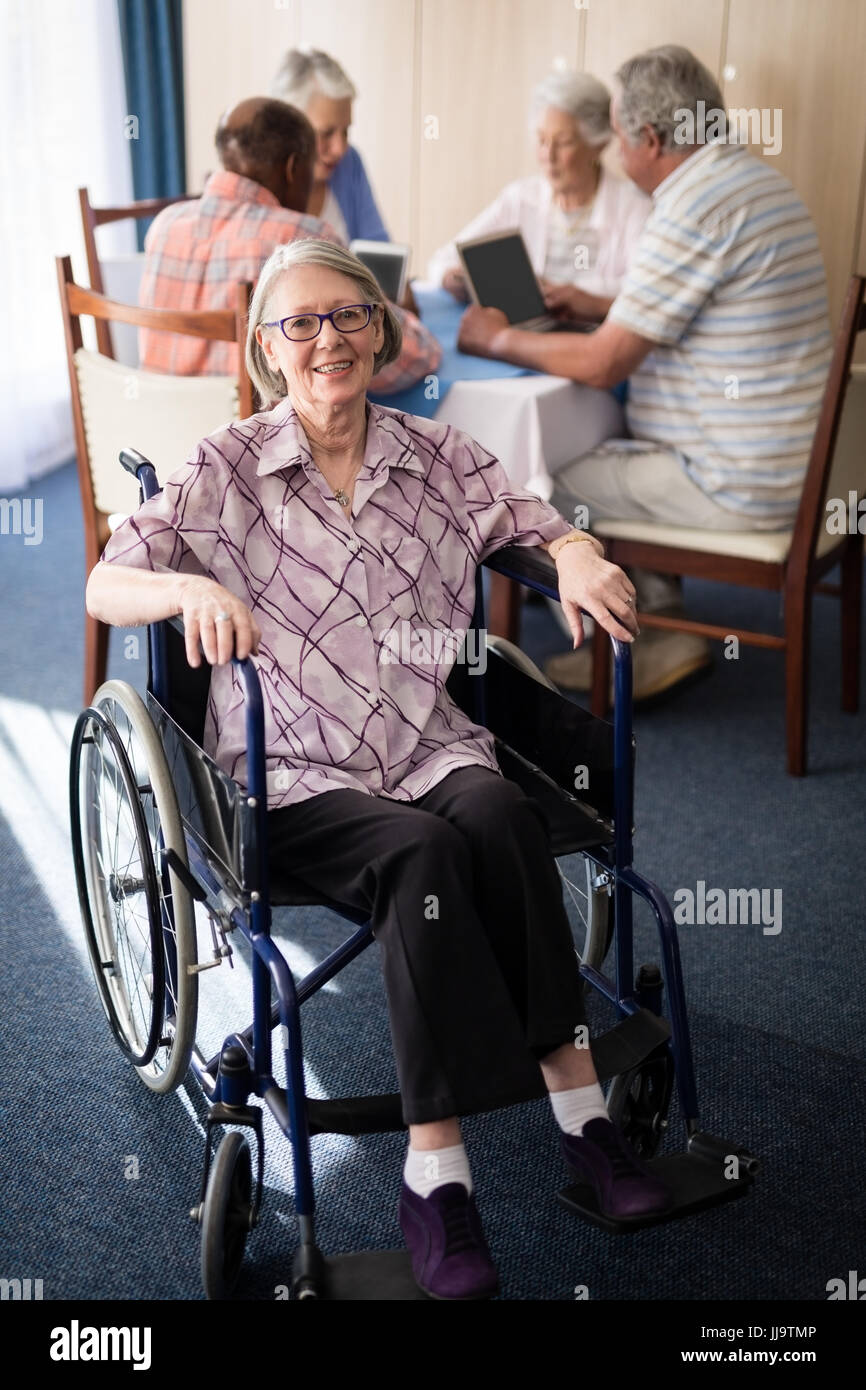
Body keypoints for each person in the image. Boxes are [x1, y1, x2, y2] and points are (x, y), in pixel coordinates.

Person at [86, 238, 670, 1301]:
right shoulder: (222, 468)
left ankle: (583, 1118)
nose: (327, 341)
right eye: (299, 323)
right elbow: (105, 585)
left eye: (347, 316)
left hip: (422, 740)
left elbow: (532, 523)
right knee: (419, 852)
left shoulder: (437, 455)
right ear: (268, 348)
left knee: (494, 812)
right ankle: (434, 1174)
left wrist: (577, 553)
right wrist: (185, 594)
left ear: (381, 330)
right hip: (297, 771)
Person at [457, 45, 833, 699]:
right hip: (794, 466)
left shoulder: (689, 206)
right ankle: (664, 623)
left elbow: (605, 363)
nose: (619, 158)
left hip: (731, 481)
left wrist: (502, 338)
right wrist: (604, 305)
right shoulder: (758, 185)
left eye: (621, 140)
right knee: (594, 454)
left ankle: (627, 645)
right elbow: (700, 307)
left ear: (651, 139)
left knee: (539, 475)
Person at [138, 97, 439, 393]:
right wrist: (412, 326)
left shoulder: (165, 224)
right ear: (293, 168)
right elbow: (401, 358)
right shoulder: (300, 236)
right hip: (253, 438)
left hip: (160, 425)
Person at [428, 69, 649, 316]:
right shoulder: (521, 198)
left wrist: (573, 293)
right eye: (542, 140)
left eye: (564, 142)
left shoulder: (633, 206)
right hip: (528, 332)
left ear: (598, 144)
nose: (548, 156)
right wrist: (452, 278)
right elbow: (443, 260)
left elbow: (645, 293)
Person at [270, 46, 389, 246]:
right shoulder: (262, 181)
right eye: (326, 133)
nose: (339, 149)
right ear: (287, 126)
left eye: (345, 131)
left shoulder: (350, 162)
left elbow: (378, 249)